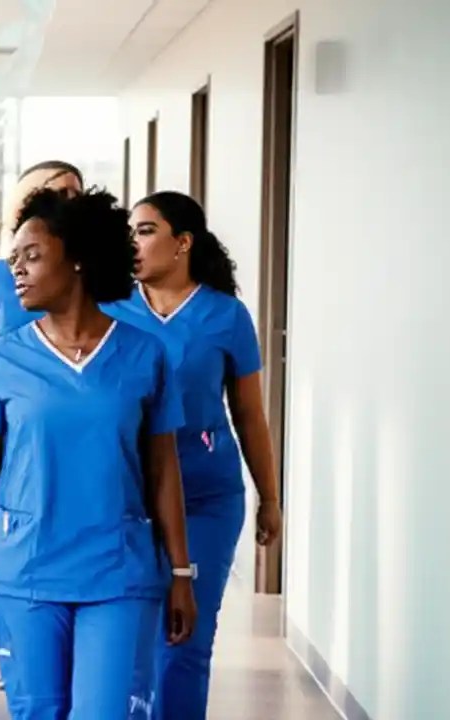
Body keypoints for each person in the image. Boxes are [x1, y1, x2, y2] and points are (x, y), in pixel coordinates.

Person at [0, 187, 198, 719]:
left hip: (117, 570)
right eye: (14, 260)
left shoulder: (142, 354)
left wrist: (180, 573)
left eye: (32, 256)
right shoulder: (4, 356)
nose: (19, 272)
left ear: (77, 258)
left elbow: (163, 468)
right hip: (23, 571)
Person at [104, 191, 283, 719]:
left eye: (145, 230)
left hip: (206, 496)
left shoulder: (225, 316)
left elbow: (250, 414)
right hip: (127, 501)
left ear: (182, 243)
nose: (132, 242)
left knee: (185, 640)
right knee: (130, 644)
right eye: (130, 231)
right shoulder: (108, 311)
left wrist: (269, 497)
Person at [0, 161, 85, 691]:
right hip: (7, 421)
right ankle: (14, 637)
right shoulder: (1, 275)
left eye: (72, 191)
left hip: (72, 423)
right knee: (0, 525)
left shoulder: (101, 275)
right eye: (50, 192)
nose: (62, 198)